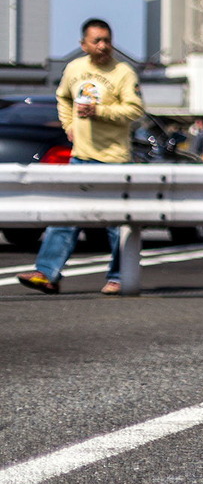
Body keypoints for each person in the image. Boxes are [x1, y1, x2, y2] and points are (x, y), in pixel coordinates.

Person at [17, 19, 144, 295]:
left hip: (115, 159)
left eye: (107, 40)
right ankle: (46, 273)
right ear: (83, 44)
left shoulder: (123, 72)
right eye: (97, 41)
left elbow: (135, 111)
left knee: (116, 225)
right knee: (65, 217)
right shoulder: (74, 69)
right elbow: (63, 97)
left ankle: (119, 277)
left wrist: (100, 111)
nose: (103, 46)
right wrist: (69, 126)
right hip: (81, 157)